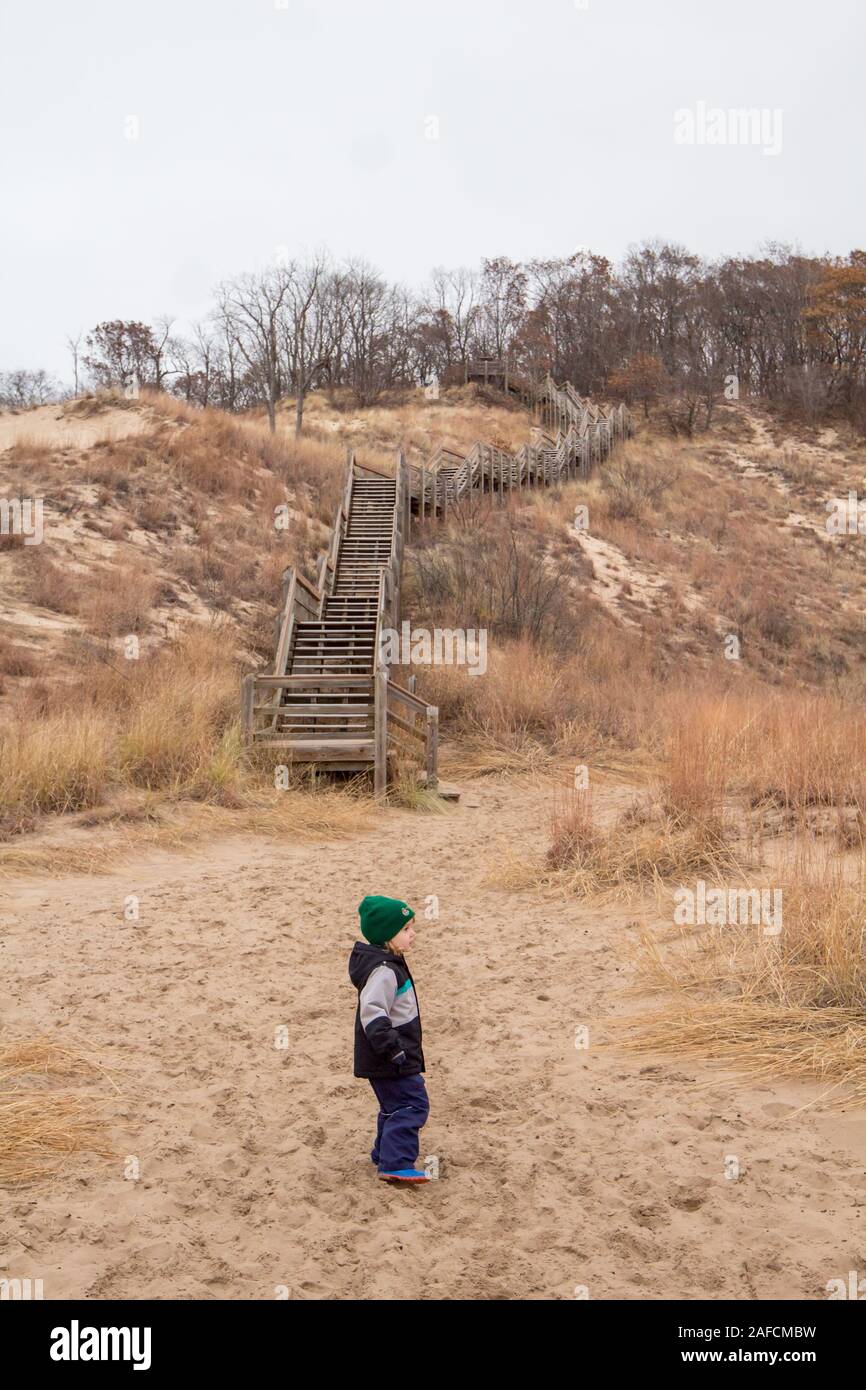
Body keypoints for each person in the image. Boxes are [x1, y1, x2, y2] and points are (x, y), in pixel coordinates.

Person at [348, 895, 430, 1184]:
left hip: (390, 1054)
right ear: (387, 936)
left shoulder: (389, 962)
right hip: (390, 1055)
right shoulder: (383, 971)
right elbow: (372, 1012)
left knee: (394, 1105)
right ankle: (396, 1162)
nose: (413, 934)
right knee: (413, 1104)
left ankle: (383, 1153)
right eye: (406, 930)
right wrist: (392, 1049)